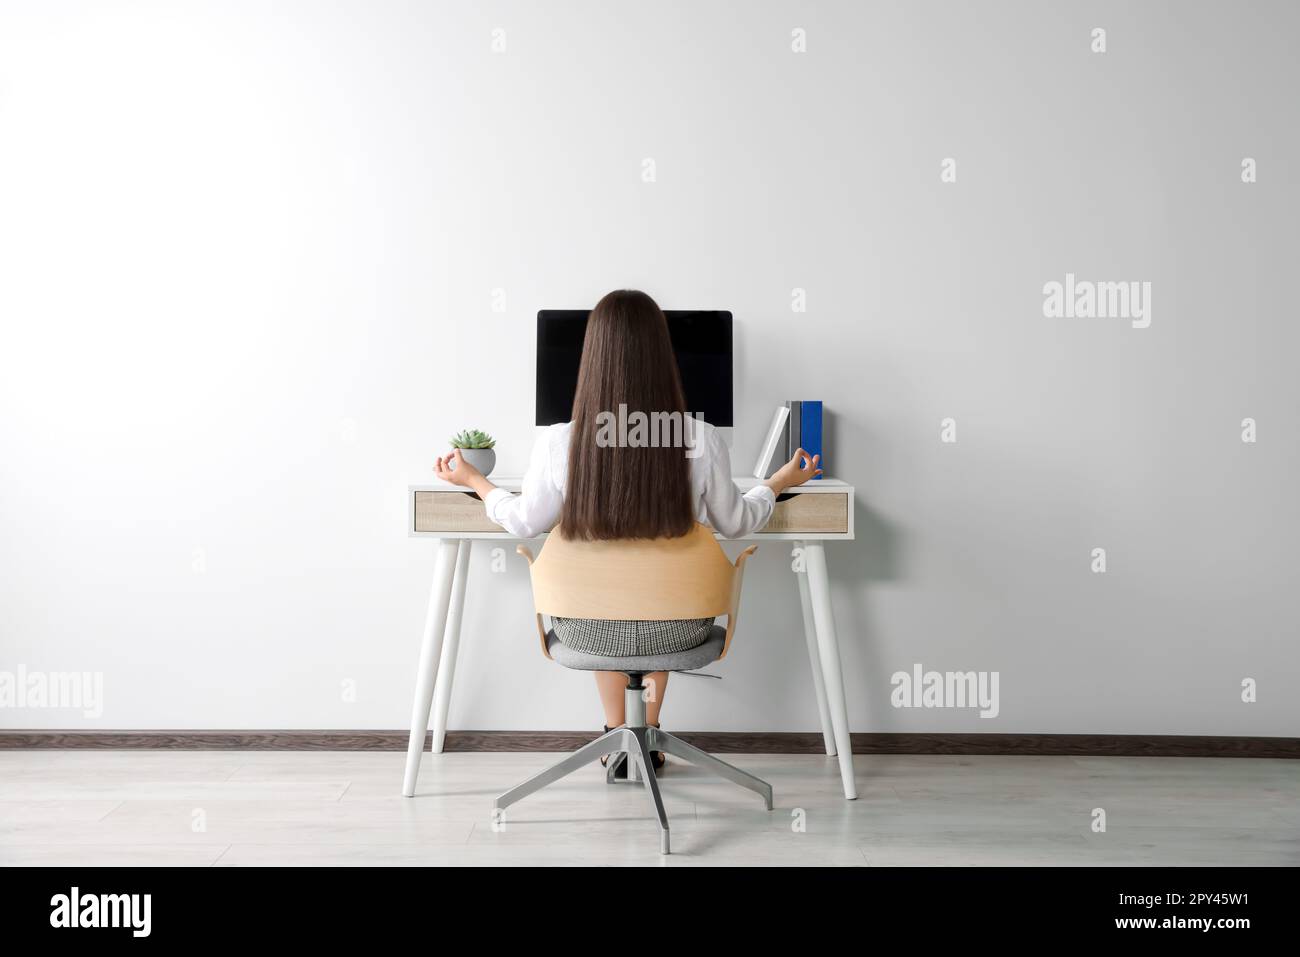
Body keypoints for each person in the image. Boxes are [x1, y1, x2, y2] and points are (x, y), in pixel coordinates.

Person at [435, 289, 820, 772]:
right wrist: (777, 483)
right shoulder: (699, 438)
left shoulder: (558, 441)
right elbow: (737, 522)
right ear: (664, 357)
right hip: (680, 624)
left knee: (611, 598)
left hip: (584, 627)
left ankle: (620, 737)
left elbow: (526, 522)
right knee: (656, 594)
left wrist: (474, 480)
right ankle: (647, 740)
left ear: (591, 358)